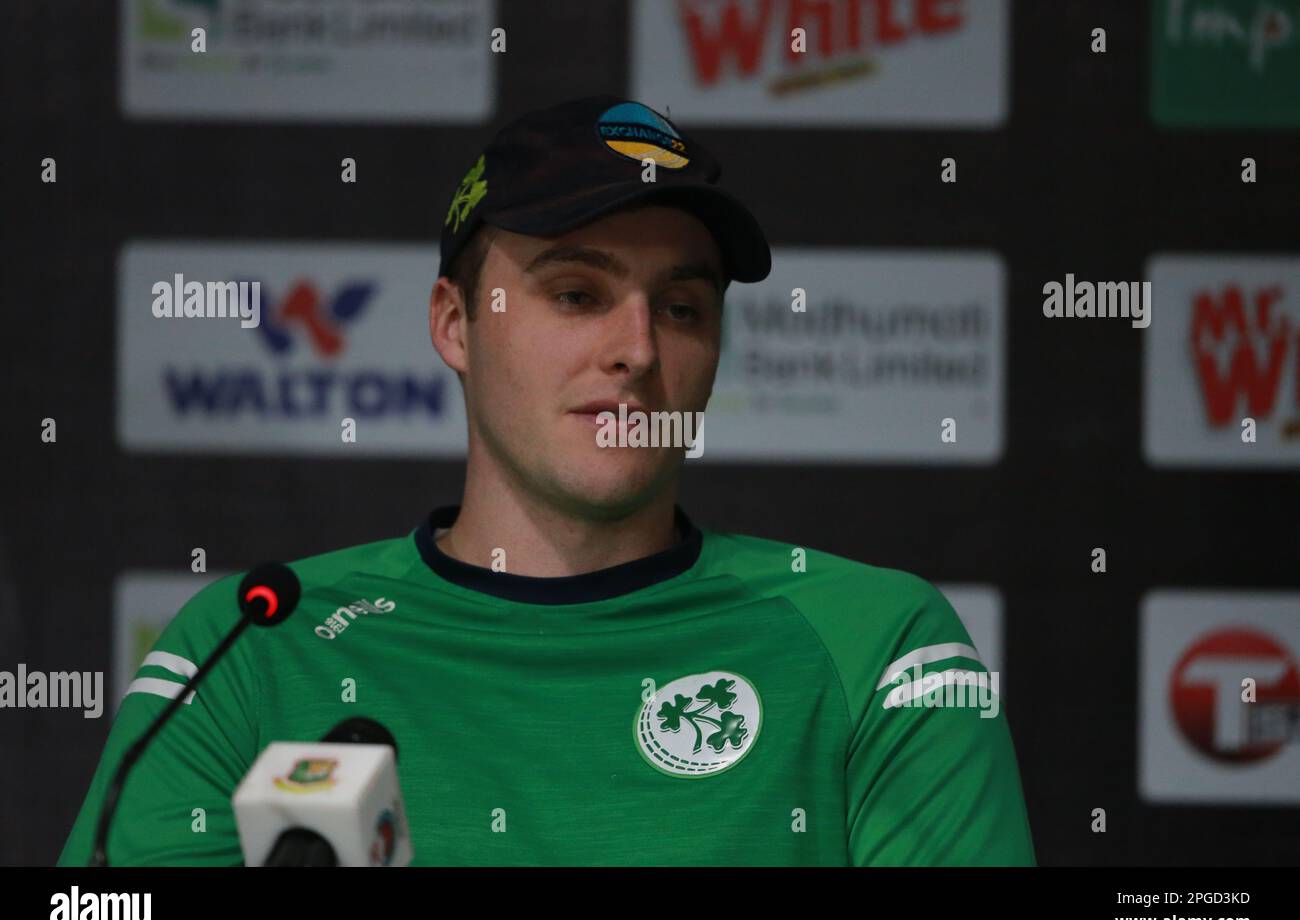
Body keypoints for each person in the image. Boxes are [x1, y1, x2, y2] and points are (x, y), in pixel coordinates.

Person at [59, 95, 1034, 866]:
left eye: (684, 306)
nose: (638, 349)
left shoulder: (881, 648)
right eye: (577, 293)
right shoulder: (250, 644)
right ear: (453, 323)